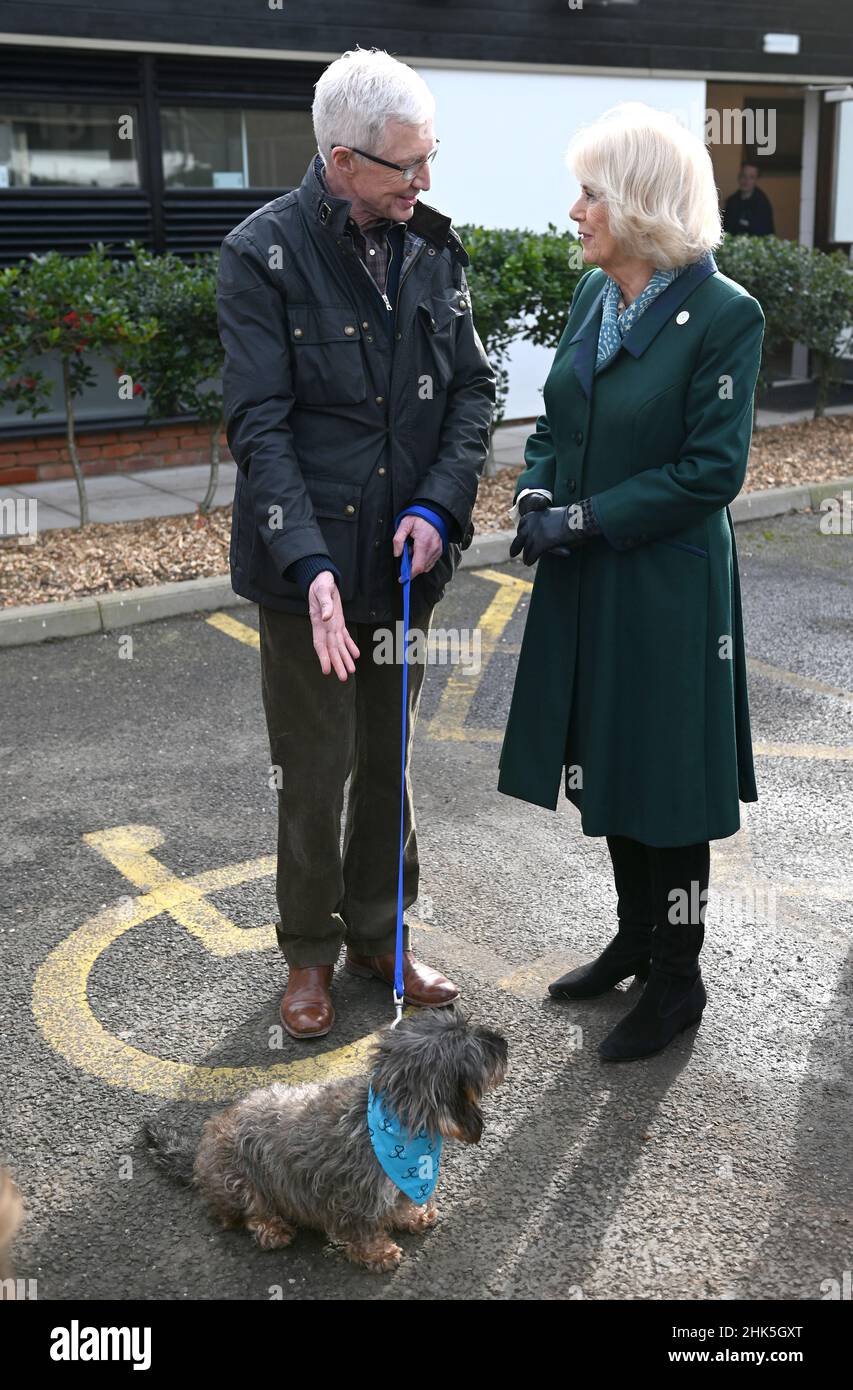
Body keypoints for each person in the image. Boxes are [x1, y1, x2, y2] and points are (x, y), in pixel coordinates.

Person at [217, 48, 495, 1039]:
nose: (423, 185)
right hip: (310, 580)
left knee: (390, 759)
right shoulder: (260, 255)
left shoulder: (434, 247)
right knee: (313, 765)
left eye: (428, 161)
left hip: (408, 563)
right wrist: (310, 565)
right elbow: (260, 424)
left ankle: (381, 932)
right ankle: (307, 953)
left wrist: (439, 503)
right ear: (342, 159)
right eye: (404, 168)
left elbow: (470, 391)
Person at [498, 102, 765, 1062]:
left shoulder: (726, 314)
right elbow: (556, 418)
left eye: (589, 193)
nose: (573, 210)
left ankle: (677, 976)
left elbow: (711, 471)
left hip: (665, 588)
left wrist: (586, 517)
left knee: (666, 780)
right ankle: (633, 938)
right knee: (605, 758)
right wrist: (536, 486)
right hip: (589, 574)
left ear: (642, 204)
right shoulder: (594, 300)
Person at [723, 161, 775, 236]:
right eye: (744, 175)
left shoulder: (762, 204)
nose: (746, 180)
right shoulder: (731, 201)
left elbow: (765, 233)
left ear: (756, 180)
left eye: (751, 177)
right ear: (739, 177)